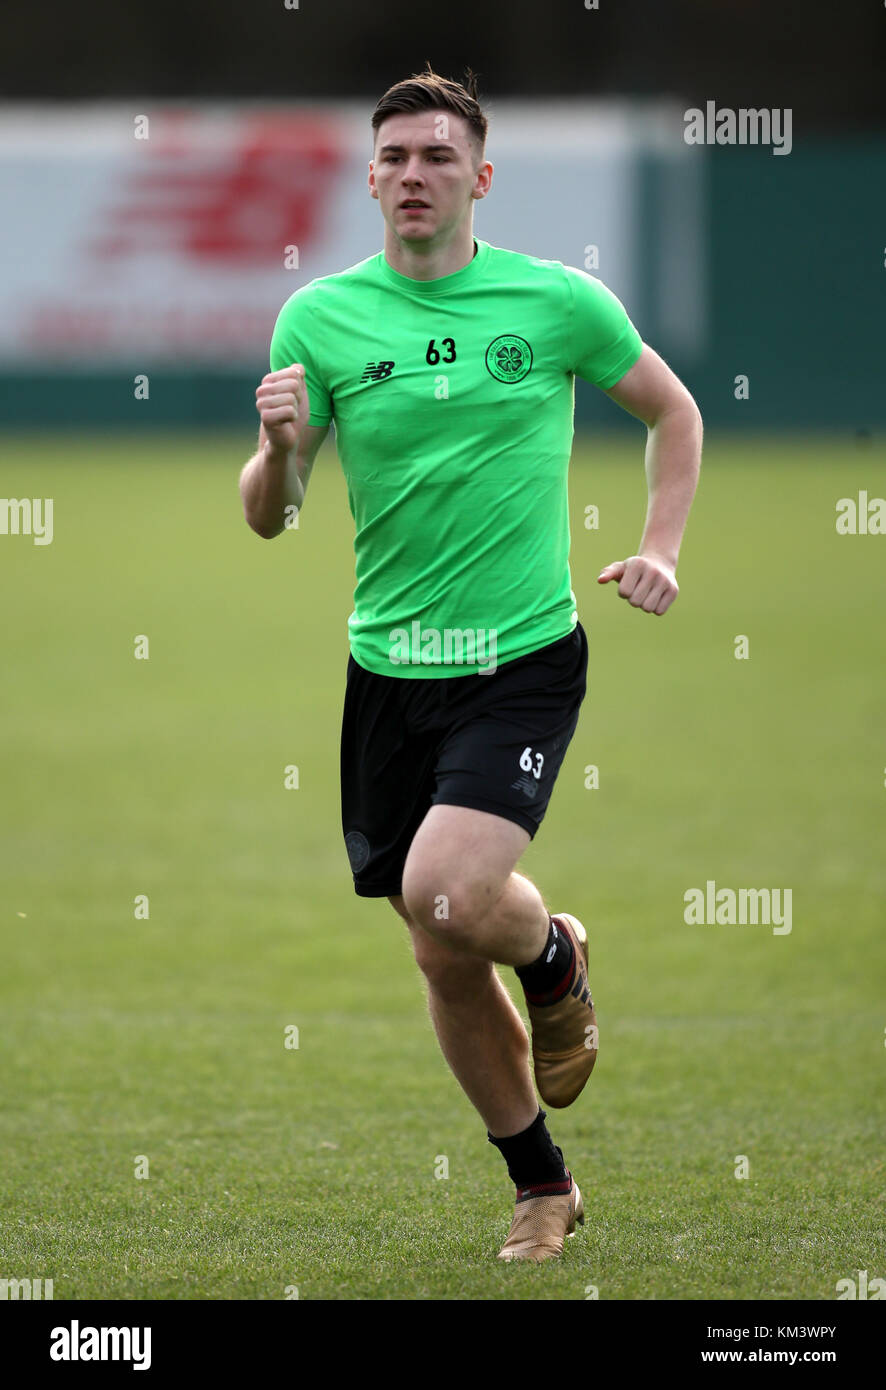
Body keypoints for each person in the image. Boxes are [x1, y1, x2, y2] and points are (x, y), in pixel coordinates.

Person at [239, 66, 702, 1262]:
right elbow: (271, 512)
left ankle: (550, 957)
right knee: (439, 946)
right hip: (388, 673)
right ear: (371, 177)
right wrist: (280, 450)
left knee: (446, 890)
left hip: (521, 660)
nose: (410, 175)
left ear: (479, 178)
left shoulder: (553, 302)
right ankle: (539, 1184)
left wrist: (659, 548)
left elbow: (672, 412)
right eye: (392, 157)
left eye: (436, 157)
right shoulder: (321, 319)